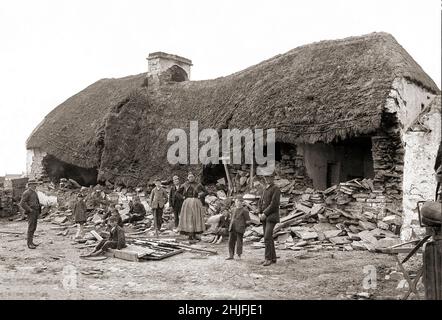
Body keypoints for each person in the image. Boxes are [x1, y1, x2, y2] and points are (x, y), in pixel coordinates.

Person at [258, 175, 280, 266]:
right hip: (264, 217)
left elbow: (274, 204)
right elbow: (260, 201)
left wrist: (265, 213)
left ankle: (268, 258)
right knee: (268, 237)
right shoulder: (265, 189)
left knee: (267, 237)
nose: (267, 179)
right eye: (266, 178)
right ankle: (273, 258)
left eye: (269, 178)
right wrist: (259, 212)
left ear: (273, 178)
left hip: (271, 217)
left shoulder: (276, 189)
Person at [178, 172, 207, 241]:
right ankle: (189, 234)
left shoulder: (198, 185)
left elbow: (206, 192)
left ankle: (195, 233)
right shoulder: (184, 185)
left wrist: (201, 195)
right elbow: (177, 192)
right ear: (187, 178)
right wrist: (182, 197)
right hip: (187, 202)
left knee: (196, 217)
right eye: (190, 177)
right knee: (188, 218)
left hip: (196, 202)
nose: (191, 178)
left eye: (192, 177)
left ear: (194, 177)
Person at [19, 180, 42, 249]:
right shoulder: (27, 192)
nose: (35, 185)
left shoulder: (34, 192)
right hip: (31, 212)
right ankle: (29, 244)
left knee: (34, 227)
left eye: (35, 184)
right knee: (31, 228)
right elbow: (22, 203)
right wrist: (29, 209)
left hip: (35, 212)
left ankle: (31, 242)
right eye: (33, 184)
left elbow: (36, 201)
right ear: (29, 185)